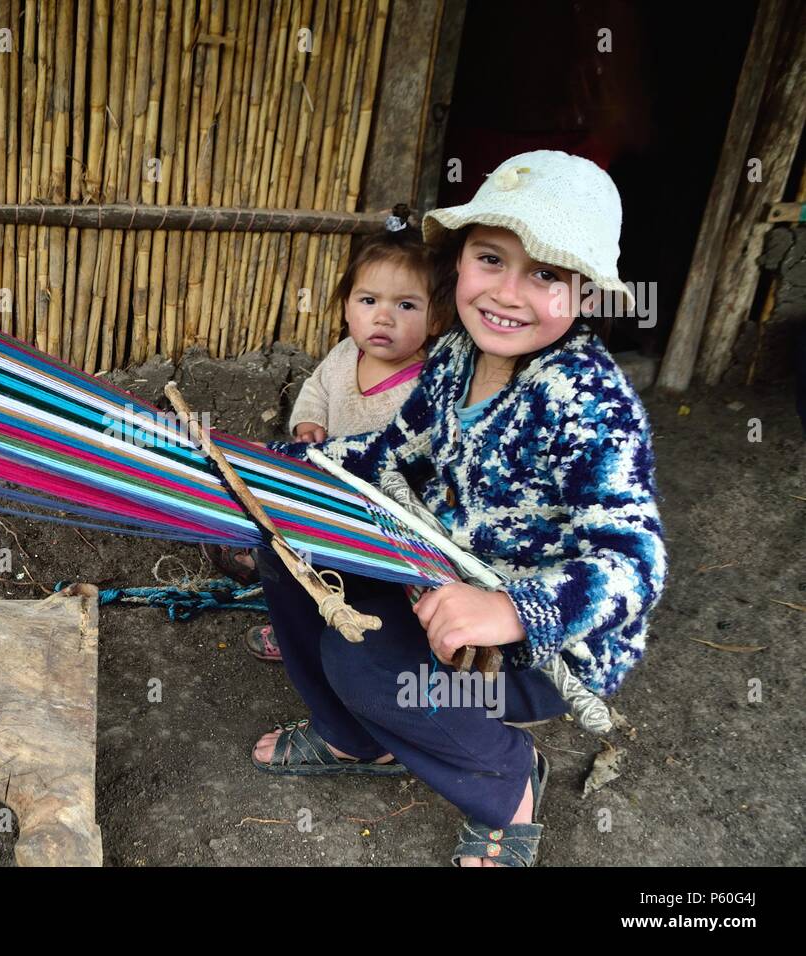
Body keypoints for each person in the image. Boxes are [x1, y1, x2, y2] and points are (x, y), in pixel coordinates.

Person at [253, 151, 667, 867]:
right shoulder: (453, 360)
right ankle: (351, 740)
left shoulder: (586, 402)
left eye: (545, 274)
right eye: (490, 259)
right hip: (430, 566)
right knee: (283, 547)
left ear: (585, 296)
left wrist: (511, 612)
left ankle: (509, 783)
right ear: (460, 263)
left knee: (368, 664)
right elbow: (396, 452)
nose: (508, 293)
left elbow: (636, 562)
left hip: (540, 647)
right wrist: (290, 471)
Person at [208, 206, 450, 662]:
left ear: (436, 319)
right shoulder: (344, 353)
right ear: (346, 307)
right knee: (297, 556)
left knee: (351, 575)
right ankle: (296, 623)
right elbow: (316, 388)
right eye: (368, 301)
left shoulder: (425, 387)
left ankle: (335, 630)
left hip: (374, 516)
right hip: (321, 483)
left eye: (406, 305)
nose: (383, 318)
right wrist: (307, 421)